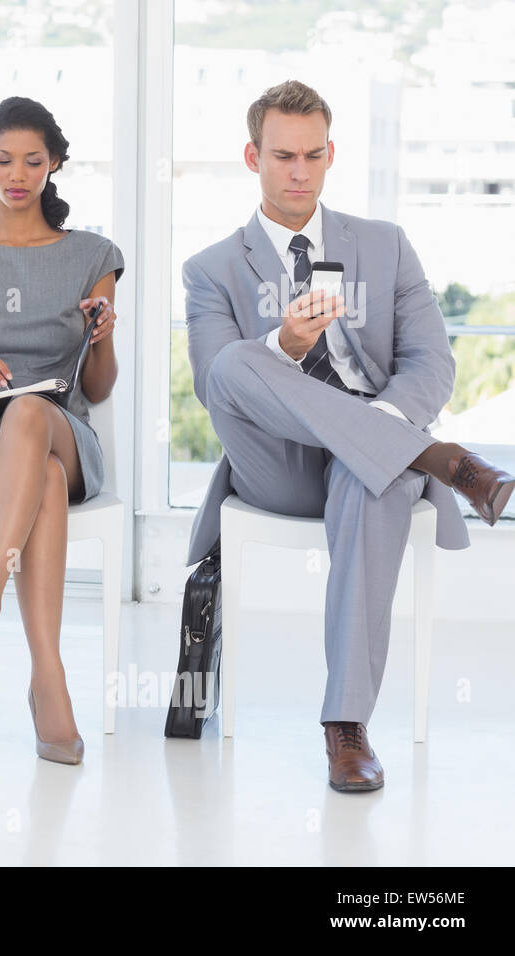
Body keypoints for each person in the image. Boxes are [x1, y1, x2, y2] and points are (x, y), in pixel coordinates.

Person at [182, 80, 513, 792]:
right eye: (282, 156)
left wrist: (383, 430)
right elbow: (219, 386)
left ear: (331, 155)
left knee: (377, 475)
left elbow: (432, 361)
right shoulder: (211, 269)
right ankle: (444, 462)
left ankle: (346, 729)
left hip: (374, 454)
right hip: (279, 465)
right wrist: (285, 345)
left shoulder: (386, 246)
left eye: (313, 155)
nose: (299, 171)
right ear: (253, 157)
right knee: (240, 359)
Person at [0, 96, 123, 765]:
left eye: (33, 160)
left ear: (54, 165)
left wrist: (104, 339)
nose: (17, 173)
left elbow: (96, 388)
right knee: (45, 476)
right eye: (4, 159)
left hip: (62, 423)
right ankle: (49, 681)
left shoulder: (93, 254)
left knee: (32, 414)